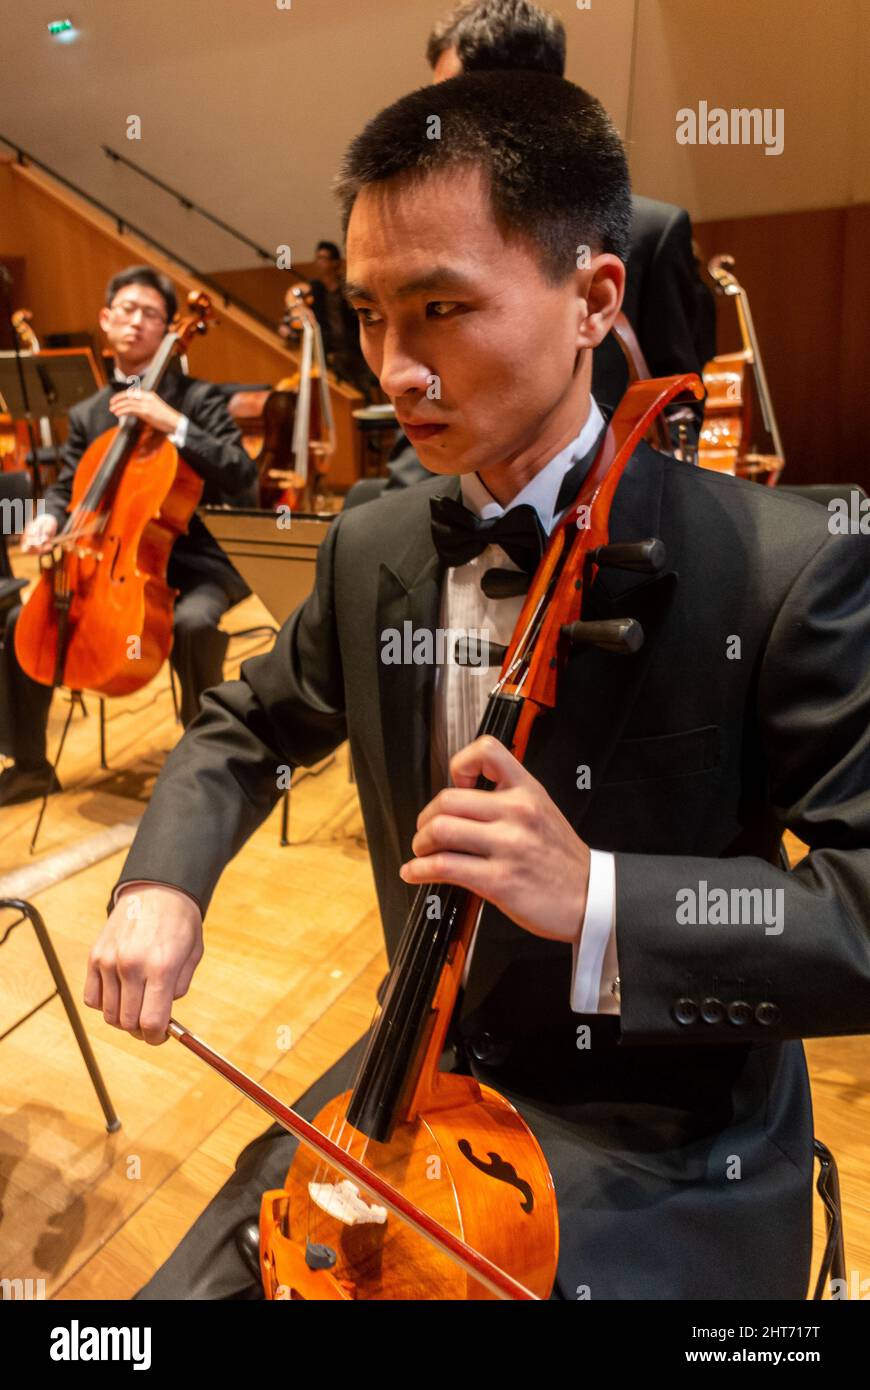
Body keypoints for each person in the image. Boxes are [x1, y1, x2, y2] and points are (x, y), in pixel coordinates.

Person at [86, 73, 869, 1301]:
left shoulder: (781, 569)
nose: (396, 370)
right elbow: (248, 723)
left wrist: (597, 896)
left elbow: (861, 910)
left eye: (442, 308)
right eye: (368, 316)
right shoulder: (376, 544)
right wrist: (162, 882)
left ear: (592, 299)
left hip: (662, 1133)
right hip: (419, 1076)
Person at [377, 0, 715, 499]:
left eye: (449, 98)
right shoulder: (419, 235)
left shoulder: (649, 231)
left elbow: (675, 400)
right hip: (445, 506)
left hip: (606, 523)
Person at [0, 266, 257, 807]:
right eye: (127, 310)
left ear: (169, 331)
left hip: (199, 563)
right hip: (116, 563)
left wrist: (174, 424)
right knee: (24, 618)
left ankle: (202, 760)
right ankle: (29, 765)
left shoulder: (198, 399)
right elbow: (68, 487)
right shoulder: (92, 413)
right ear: (105, 319)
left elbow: (240, 472)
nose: (137, 322)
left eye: (152, 315)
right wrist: (48, 517)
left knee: (191, 622)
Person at [279, 241, 378, 401]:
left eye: (323, 258)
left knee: (361, 392)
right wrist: (288, 323)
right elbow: (295, 301)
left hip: (354, 348)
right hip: (327, 349)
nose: (319, 262)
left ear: (335, 263)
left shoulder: (348, 287)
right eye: (317, 258)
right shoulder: (314, 288)